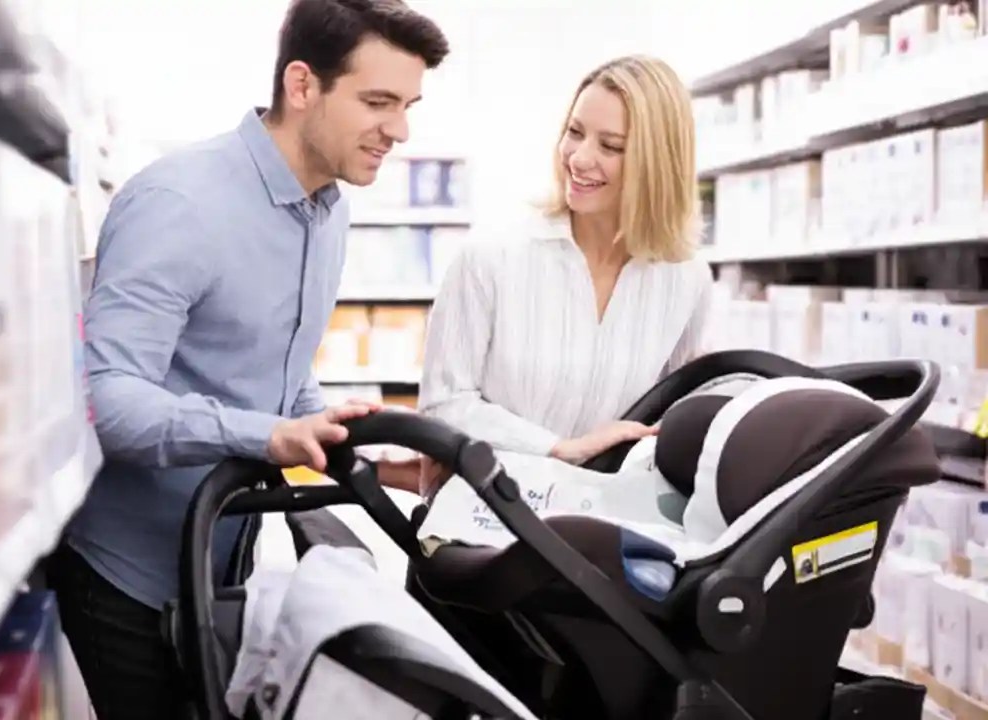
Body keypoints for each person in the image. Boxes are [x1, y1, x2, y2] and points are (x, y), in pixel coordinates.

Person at [46, 1, 449, 718]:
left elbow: (279, 373)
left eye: (409, 105)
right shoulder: (181, 203)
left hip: (221, 561)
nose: (401, 130)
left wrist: (341, 437)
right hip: (126, 577)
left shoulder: (329, 208)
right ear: (302, 85)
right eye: (379, 102)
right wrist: (263, 435)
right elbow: (107, 398)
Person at [413, 54, 713, 495]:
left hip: (604, 522)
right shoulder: (490, 258)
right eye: (575, 133)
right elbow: (442, 406)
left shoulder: (686, 280)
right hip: (489, 518)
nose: (580, 157)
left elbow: (674, 411)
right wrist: (556, 448)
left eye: (610, 146)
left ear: (658, 162)